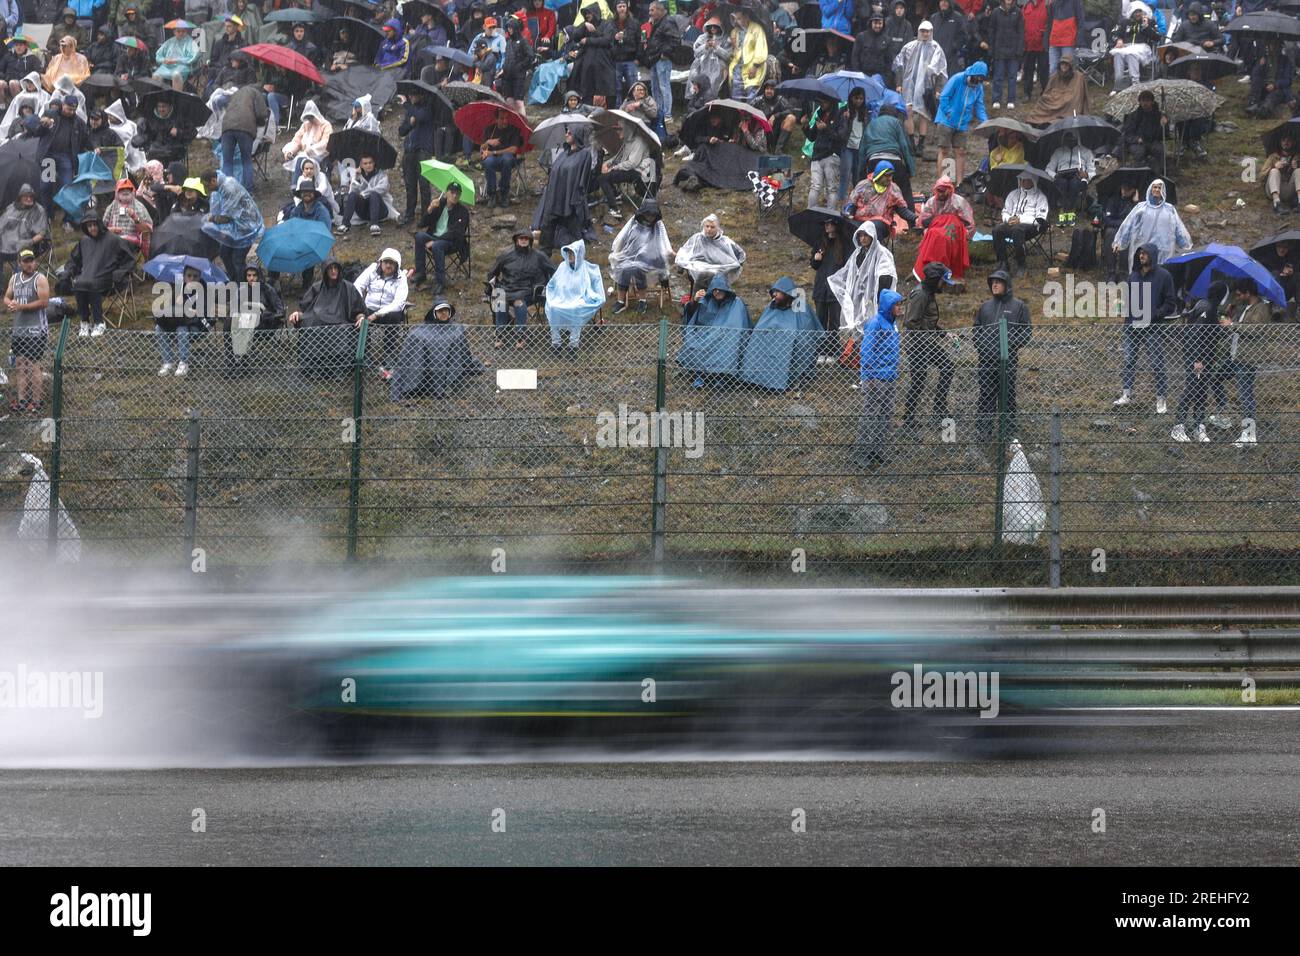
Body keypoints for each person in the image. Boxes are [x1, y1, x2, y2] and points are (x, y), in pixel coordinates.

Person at [1114, 242, 1176, 414]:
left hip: (1152, 327)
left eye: (1145, 253)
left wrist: (1156, 314)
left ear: (1153, 256)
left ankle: (1161, 399)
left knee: (1157, 364)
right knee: (1128, 361)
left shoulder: (1164, 276)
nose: (1141, 256)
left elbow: (1171, 303)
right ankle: (1126, 394)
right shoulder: (1133, 276)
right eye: (1140, 253)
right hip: (1131, 326)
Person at [973, 268, 1032, 442]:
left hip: (1008, 362)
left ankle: (1008, 430)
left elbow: (1026, 332)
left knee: (1007, 396)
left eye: (998, 282)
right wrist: (982, 346)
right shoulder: (985, 307)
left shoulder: (1019, 306)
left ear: (1007, 285)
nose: (995, 284)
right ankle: (984, 430)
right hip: (985, 362)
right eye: (992, 282)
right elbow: (976, 330)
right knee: (985, 395)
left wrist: (1009, 345)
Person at [389, 299, 484, 401]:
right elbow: (406, 359)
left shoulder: (457, 330)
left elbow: (465, 355)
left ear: (450, 313)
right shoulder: (418, 332)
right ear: (434, 313)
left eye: (446, 310)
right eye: (440, 311)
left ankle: (448, 384)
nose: (444, 313)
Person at [850, 287, 904, 468]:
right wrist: (869, 377)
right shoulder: (876, 324)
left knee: (885, 416)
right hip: (875, 379)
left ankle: (878, 450)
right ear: (889, 306)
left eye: (900, 304)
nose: (899, 308)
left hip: (890, 377)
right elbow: (866, 352)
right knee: (870, 415)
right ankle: (861, 454)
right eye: (896, 305)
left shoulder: (893, 324)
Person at [901, 260, 958, 427]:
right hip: (917, 344)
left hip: (926, 341)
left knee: (947, 367)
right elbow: (911, 323)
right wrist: (928, 340)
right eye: (942, 281)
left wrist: (944, 333)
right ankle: (908, 417)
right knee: (919, 379)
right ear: (935, 280)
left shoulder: (929, 292)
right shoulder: (920, 294)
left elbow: (927, 321)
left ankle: (939, 407)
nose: (944, 285)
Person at [1170, 280, 1227, 444]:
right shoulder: (1207, 309)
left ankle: (1199, 427)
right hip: (1199, 358)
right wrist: (1198, 360)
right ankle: (1178, 426)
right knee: (1193, 389)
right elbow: (1198, 335)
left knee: (1201, 391)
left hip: (1205, 358)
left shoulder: (1206, 306)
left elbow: (1209, 333)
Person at [288, 259, 367, 375]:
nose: (333, 271)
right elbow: (306, 310)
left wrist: (361, 317)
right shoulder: (317, 287)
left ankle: (339, 369)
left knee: (342, 331)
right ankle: (315, 369)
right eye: (330, 269)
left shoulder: (348, 288)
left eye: (336, 268)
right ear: (325, 271)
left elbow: (358, 310)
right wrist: (297, 314)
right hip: (317, 321)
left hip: (341, 323)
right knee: (311, 327)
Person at [828, 220, 897, 350]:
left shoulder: (882, 253)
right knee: (858, 325)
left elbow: (886, 273)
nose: (862, 238)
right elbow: (849, 272)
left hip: (874, 298)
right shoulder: (857, 253)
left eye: (866, 235)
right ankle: (859, 356)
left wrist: (878, 295)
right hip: (858, 297)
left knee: (873, 325)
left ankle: (874, 354)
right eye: (860, 235)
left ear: (872, 235)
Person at [63, 212, 134, 338]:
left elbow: (130, 260)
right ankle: (84, 321)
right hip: (88, 278)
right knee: (79, 283)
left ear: (100, 225)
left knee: (90, 283)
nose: (92, 228)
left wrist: (120, 273)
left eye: (94, 225)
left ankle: (99, 322)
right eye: (89, 226)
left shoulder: (114, 240)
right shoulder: (84, 241)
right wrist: (68, 271)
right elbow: (73, 260)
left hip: (109, 280)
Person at [1218, 278, 1268, 448]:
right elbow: (1228, 318)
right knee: (1215, 377)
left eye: (1239, 293)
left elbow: (1255, 329)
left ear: (1248, 293)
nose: (1237, 296)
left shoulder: (1261, 308)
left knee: (1246, 396)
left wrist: (1233, 324)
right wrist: (1230, 312)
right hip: (1235, 357)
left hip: (1247, 360)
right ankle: (1222, 412)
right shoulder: (1243, 308)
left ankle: (1249, 435)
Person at [486, 231, 555, 349]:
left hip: (527, 289)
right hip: (507, 287)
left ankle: (520, 337)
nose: (523, 240)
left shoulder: (538, 256)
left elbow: (553, 270)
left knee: (519, 303)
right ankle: (500, 336)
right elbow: (492, 273)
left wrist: (550, 285)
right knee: (500, 300)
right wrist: (492, 284)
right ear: (516, 240)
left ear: (530, 241)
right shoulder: (506, 255)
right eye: (521, 238)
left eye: (526, 238)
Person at [532, 124, 594, 254]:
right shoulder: (563, 154)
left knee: (574, 236)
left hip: (570, 201)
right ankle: (544, 260)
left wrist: (576, 199)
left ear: (577, 135)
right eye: (566, 132)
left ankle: (575, 263)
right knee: (547, 230)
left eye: (570, 133)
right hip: (554, 198)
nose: (566, 135)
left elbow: (583, 179)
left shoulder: (584, 155)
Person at [676, 273, 751, 380]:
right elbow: (693, 318)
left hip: (725, 339)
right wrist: (695, 301)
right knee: (694, 342)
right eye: (714, 289)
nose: (717, 291)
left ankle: (721, 376)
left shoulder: (736, 303)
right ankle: (700, 374)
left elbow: (740, 325)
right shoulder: (707, 301)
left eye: (720, 289)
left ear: (725, 289)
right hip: (706, 336)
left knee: (727, 346)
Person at [607, 198, 673, 313]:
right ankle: (620, 301)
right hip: (630, 254)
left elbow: (664, 240)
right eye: (649, 214)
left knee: (637, 268)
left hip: (651, 258)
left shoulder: (658, 225)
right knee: (624, 268)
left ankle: (642, 300)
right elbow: (622, 236)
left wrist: (669, 251)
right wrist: (616, 250)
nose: (651, 217)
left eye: (653, 214)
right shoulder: (634, 221)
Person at [5, 248, 50, 414]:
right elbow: (7, 296)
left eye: (32, 260)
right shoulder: (15, 278)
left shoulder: (40, 279)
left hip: (36, 329)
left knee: (33, 365)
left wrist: (20, 306)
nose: (30, 264)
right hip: (19, 329)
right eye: (26, 261)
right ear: (20, 263)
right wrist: (9, 303)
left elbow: (44, 302)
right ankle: (22, 399)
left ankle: (37, 401)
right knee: (20, 364)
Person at [1112, 179, 1192, 271]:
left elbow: (1178, 229)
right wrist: (1119, 242)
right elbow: (1129, 225)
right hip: (1143, 249)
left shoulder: (1169, 209)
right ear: (1151, 189)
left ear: (1163, 190)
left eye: (1159, 187)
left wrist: (1186, 246)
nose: (1157, 190)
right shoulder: (1141, 208)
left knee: (1160, 278)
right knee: (1142, 277)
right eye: (1155, 187)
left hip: (1163, 250)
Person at [932, 60, 987, 187]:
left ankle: (960, 184)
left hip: (962, 124)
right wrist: (949, 112)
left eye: (980, 80)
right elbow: (944, 97)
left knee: (961, 151)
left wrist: (986, 122)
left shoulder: (978, 88)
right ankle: (944, 182)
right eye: (976, 78)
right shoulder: (957, 79)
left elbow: (979, 106)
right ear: (972, 74)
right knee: (944, 150)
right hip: (946, 120)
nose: (977, 82)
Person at [893, 18, 946, 150]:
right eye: (923, 31)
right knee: (908, 111)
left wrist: (938, 89)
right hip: (909, 85)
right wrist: (899, 83)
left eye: (928, 31)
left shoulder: (936, 48)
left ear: (931, 32)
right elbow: (899, 65)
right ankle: (911, 141)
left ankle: (921, 143)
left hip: (926, 88)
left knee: (924, 114)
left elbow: (941, 70)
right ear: (919, 31)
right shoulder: (909, 47)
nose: (925, 34)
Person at [201, 168, 263, 280]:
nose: (207, 189)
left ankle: (243, 286)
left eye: (207, 185)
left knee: (237, 260)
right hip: (234, 227)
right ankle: (234, 278)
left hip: (246, 228)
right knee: (224, 253)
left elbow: (226, 218)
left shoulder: (228, 188)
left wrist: (212, 219)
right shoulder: (218, 188)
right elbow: (216, 208)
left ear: (213, 180)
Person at [354, 247, 409, 374]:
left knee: (395, 316)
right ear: (381, 262)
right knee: (357, 315)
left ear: (397, 265)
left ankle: (388, 356)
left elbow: (399, 302)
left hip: (388, 311)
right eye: (386, 262)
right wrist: (360, 306)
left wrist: (377, 315)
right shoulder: (372, 269)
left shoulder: (401, 278)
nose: (388, 265)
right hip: (368, 307)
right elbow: (357, 285)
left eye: (392, 263)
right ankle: (365, 354)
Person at [545, 238, 605, 352]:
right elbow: (552, 283)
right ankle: (556, 343)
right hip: (560, 298)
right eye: (569, 253)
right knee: (552, 307)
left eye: (573, 253)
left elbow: (596, 283)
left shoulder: (586, 268)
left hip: (580, 298)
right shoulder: (563, 266)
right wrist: (552, 293)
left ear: (579, 253)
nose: (570, 255)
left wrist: (595, 295)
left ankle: (573, 345)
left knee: (576, 309)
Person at [35, 96, 89, 223]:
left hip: (66, 157)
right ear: (63, 105)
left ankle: (68, 219)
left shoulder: (78, 122)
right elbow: (37, 132)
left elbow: (85, 139)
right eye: (68, 108)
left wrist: (95, 148)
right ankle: (48, 216)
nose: (70, 112)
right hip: (49, 155)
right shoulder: (50, 114)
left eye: (73, 110)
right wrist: (43, 125)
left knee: (67, 187)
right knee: (46, 186)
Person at [411, 183, 470, 295]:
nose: (454, 195)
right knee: (419, 236)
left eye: (457, 193)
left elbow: (456, 233)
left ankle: (440, 282)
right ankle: (420, 273)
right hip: (434, 237)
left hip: (452, 243)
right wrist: (429, 209)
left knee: (437, 246)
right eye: (452, 192)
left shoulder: (463, 212)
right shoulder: (438, 204)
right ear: (446, 193)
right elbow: (422, 224)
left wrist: (435, 241)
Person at [913, 175, 974, 280]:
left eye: (944, 191)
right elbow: (923, 222)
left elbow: (969, 223)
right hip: (935, 230)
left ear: (950, 190)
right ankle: (929, 267)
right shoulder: (931, 202)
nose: (941, 194)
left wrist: (966, 233)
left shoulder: (959, 202)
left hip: (954, 230)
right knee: (934, 236)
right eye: (939, 191)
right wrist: (938, 221)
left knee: (945, 238)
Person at [593, 118, 654, 219]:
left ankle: (615, 209)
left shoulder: (638, 142)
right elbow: (618, 156)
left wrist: (613, 168)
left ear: (628, 129)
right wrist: (607, 164)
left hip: (637, 171)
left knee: (603, 178)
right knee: (602, 172)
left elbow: (632, 163)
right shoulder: (627, 140)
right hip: (628, 168)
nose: (617, 132)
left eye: (619, 129)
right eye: (616, 129)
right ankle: (615, 195)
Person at [154, 263, 206, 377]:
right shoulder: (178, 288)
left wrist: (193, 310)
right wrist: (176, 302)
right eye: (189, 276)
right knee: (159, 328)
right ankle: (167, 362)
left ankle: (184, 362)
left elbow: (207, 314)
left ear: (200, 277)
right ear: (184, 276)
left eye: (195, 276)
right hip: (177, 322)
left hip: (196, 327)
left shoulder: (204, 290)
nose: (192, 279)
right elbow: (170, 312)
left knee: (181, 329)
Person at [809, 216, 850, 360]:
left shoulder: (844, 244)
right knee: (820, 319)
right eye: (825, 224)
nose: (827, 226)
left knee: (834, 322)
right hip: (821, 287)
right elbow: (814, 265)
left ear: (836, 225)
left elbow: (847, 267)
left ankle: (832, 351)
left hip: (836, 288)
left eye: (829, 224)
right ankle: (820, 351)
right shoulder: (820, 243)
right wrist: (816, 259)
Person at [993, 171, 1048, 277]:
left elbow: (1041, 219)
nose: (1024, 182)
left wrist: (1020, 219)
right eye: (1022, 179)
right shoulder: (1013, 194)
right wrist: (1008, 219)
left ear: (1033, 181)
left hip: (1031, 226)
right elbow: (1005, 211)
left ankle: (1021, 265)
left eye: (1027, 180)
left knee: (1017, 230)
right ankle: (1003, 263)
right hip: (1012, 223)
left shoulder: (1040, 197)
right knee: (997, 230)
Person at [219, 76, 268, 194]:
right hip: (245, 128)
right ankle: (248, 191)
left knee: (227, 161)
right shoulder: (257, 93)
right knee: (246, 160)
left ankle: (228, 191)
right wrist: (259, 124)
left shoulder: (236, 94)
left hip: (227, 127)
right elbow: (262, 114)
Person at [675, 213, 746, 293]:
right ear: (703, 226)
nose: (709, 229)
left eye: (712, 227)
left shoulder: (724, 241)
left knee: (716, 276)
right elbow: (684, 251)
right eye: (707, 226)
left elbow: (740, 253)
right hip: (699, 268)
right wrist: (682, 265)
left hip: (719, 268)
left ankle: (716, 297)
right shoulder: (697, 238)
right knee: (703, 275)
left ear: (718, 228)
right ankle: (698, 300)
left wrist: (738, 264)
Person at [845, 160, 916, 236]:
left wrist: (916, 218)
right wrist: (848, 212)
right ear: (879, 174)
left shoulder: (893, 190)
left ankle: (872, 247)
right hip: (860, 220)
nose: (890, 178)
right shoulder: (863, 185)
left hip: (881, 222)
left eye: (891, 175)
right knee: (846, 225)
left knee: (871, 227)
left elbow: (902, 210)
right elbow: (851, 204)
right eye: (887, 175)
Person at [643, 1, 681, 136]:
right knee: (654, 87)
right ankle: (658, 112)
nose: (650, 13)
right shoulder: (657, 22)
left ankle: (667, 114)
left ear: (660, 10)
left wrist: (665, 53)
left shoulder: (668, 21)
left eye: (652, 10)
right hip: (654, 59)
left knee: (664, 86)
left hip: (663, 59)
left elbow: (676, 40)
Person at [0, 185, 49, 291]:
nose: (29, 198)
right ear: (20, 197)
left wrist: (29, 242)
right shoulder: (12, 208)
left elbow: (41, 234)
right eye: (26, 196)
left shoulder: (38, 211)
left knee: (22, 253)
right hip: (8, 243)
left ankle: (18, 289)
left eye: (31, 196)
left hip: (30, 244)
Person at [397, 87, 435, 225]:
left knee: (424, 184)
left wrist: (406, 104)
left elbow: (421, 116)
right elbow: (401, 131)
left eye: (414, 95)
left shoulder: (426, 108)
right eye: (410, 95)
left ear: (420, 95)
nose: (411, 97)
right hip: (409, 150)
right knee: (410, 184)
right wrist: (410, 124)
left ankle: (426, 215)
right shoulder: (411, 111)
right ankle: (409, 213)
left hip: (423, 150)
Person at [568, 4, 617, 107]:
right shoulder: (585, 24)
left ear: (595, 13)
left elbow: (607, 40)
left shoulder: (607, 24)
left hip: (603, 63)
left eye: (589, 13)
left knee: (606, 92)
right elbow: (575, 36)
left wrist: (589, 39)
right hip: (587, 65)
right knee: (587, 91)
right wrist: (584, 26)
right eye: (585, 13)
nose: (587, 15)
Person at [338, 154, 398, 237]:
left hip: (381, 210)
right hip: (364, 211)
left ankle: (374, 224)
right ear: (361, 165)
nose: (368, 165)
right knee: (352, 195)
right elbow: (354, 192)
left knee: (374, 194)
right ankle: (345, 224)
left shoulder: (382, 175)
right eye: (365, 163)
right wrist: (356, 178)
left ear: (374, 163)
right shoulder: (359, 175)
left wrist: (364, 194)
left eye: (370, 163)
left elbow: (382, 188)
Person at [981, 0, 1024, 110]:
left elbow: (1021, 31)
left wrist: (1019, 49)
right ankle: (996, 99)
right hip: (999, 49)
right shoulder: (996, 12)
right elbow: (991, 30)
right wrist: (992, 47)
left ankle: (1011, 99)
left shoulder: (1018, 12)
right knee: (998, 76)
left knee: (1012, 77)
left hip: (1013, 49)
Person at [1024, 52, 1087, 125]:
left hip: (1067, 101)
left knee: (1069, 106)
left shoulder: (1078, 77)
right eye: (1062, 64)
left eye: (1066, 64)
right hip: (1054, 99)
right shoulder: (1055, 76)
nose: (1064, 66)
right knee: (1041, 103)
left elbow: (1077, 96)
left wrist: (1063, 96)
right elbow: (1047, 92)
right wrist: (1054, 96)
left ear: (1071, 66)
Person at [805, 99, 846, 209]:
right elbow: (811, 136)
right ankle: (811, 211)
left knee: (831, 188)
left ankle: (831, 215)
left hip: (831, 155)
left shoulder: (840, 117)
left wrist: (826, 128)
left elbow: (841, 137)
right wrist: (805, 126)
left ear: (831, 102)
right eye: (820, 102)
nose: (822, 104)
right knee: (815, 186)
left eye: (825, 101)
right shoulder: (820, 115)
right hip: (817, 155)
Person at [1110, 2, 1159, 94]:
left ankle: (1135, 83)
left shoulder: (1150, 21)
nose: (1137, 14)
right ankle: (1118, 85)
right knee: (1117, 53)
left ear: (1143, 12)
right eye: (1135, 12)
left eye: (1139, 11)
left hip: (1143, 48)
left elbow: (1157, 37)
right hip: (1126, 46)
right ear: (1131, 12)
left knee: (1131, 54)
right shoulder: (1125, 22)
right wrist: (1119, 40)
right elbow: (1114, 33)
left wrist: (1146, 27)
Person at [480, 110, 525, 209]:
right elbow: (482, 148)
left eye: (506, 118)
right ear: (496, 119)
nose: (505, 121)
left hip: (508, 159)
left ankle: (504, 193)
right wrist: (488, 142)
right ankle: (492, 194)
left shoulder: (514, 130)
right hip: (492, 159)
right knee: (488, 161)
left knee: (507, 159)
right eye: (501, 118)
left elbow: (513, 149)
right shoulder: (490, 130)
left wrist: (494, 152)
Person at [133, 95, 194, 167]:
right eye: (159, 106)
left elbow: (191, 133)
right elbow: (145, 135)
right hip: (154, 151)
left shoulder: (179, 118)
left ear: (170, 107)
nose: (161, 109)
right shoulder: (150, 119)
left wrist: (178, 132)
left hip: (174, 151)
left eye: (164, 106)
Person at [688, 17, 731, 113]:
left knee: (713, 89)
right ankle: (696, 106)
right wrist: (705, 46)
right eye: (710, 26)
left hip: (718, 69)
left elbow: (728, 56)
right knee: (698, 86)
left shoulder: (725, 39)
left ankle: (711, 108)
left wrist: (717, 48)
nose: (712, 29)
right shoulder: (702, 38)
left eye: (715, 26)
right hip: (702, 67)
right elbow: (696, 52)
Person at [281, 100, 332, 181]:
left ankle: (296, 185)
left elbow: (326, 142)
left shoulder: (325, 125)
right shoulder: (305, 125)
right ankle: (298, 184)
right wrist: (290, 151)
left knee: (300, 160)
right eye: (308, 117)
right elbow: (297, 140)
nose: (310, 120)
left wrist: (312, 149)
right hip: (304, 153)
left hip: (320, 154)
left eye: (311, 117)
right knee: (298, 159)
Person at [1044, 130, 1093, 212]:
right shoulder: (1058, 151)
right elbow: (1048, 169)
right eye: (1068, 139)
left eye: (1073, 140)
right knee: (1062, 183)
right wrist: (1055, 175)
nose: (1070, 141)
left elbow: (1092, 171)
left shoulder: (1086, 152)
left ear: (1077, 139)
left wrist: (1086, 175)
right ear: (1064, 139)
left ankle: (1070, 208)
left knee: (1073, 184)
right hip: (1061, 177)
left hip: (1079, 178)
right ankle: (1063, 207)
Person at [1100, 181, 1140, 281]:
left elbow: (1139, 219)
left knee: (1127, 238)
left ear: (1133, 191)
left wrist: (1136, 203)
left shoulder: (1138, 204)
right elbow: (1108, 219)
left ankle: (1123, 272)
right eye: (1123, 189)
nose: (1124, 192)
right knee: (1109, 234)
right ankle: (1111, 272)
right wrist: (1123, 224)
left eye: (1128, 190)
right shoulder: (1113, 199)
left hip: (1130, 230)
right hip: (1114, 227)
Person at [103, 177, 152, 255]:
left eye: (127, 192)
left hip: (132, 243)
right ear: (117, 193)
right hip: (114, 241)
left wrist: (135, 217)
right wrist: (111, 229)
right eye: (122, 192)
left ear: (132, 192)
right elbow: (102, 228)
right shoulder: (112, 207)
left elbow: (147, 229)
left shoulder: (139, 207)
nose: (125, 195)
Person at [1121, 89, 1167, 173]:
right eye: (1142, 101)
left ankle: (1161, 173)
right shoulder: (1134, 115)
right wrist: (1136, 139)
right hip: (1138, 142)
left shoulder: (1159, 115)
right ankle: (1139, 174)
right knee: (1139, 152)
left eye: (1147, 101)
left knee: (1160, 150)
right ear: (1139, 102)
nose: (1145, 103)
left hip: (1153, 141)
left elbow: (1163, 135)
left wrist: (1163, 125)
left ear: (1152, 102)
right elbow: (1127, 133)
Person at [727, 5, 767, 101]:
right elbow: (733, 53)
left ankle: (750, 115)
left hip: (752, 66)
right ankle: (737, 115)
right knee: (736, 95)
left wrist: (755, 66)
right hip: (737, 67)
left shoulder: (757, 29)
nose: (737, 21)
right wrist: (733, 45)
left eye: (739, 18)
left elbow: (761, 48)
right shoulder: (734, 32)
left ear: (746, 17)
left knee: (751, 94)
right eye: (735, 19)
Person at [499, 14, 534, 117]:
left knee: (519, 102)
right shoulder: (508, 42)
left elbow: (530, 56)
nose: (509, 30)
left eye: (511, 28)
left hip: (518, 76)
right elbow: (507, 58)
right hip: (507, 76)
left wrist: (521, 67)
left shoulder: (523, 41)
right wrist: (503, 70)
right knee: (509, 102)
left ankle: (524, 124)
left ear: (516, 28)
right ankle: (514, 124)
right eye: (508, 28)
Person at [153, 23, 198, 92]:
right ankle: (160, 100)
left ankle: (176, 99)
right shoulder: (169, 41)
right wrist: (164, 60)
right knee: (156, 75)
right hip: (167, 66)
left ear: (186, 31)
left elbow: (193, 57)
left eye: (183, 31)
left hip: (182, 66)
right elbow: (158, 55)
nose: (181, 33)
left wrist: (177, 60)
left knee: (176, 75)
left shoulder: (190, 42)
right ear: (174, 32)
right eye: (178, 31)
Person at [853, 13, 895, 86]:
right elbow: (855, 57)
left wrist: (886, 79)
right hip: (862, 75)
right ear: (870, 23)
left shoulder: (887, 40)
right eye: (875, 23)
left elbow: (889, 61)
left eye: (880, 23)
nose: (878, 26)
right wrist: (857, 74)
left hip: (880, 78)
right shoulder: (861, 37)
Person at [1044, 0, 1082, 76]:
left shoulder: (1076, 2)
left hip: (1069, 42)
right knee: (1052, 70)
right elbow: (1049, 24)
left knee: (1069, 71)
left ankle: (1070, 88)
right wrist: (1046, 41)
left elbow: (1081, 21)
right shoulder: (1053, 3)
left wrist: (1078, 41)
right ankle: (1054, 88)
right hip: (1054, 42)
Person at [1021, 0, 1049, 101]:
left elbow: (1050, 23)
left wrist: (1044, 33)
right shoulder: (1026, 5)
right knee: (1028, 70)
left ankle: (1045, 93)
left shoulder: (1047, 4)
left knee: (1044, 71)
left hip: (1042, 45)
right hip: (1029, 45)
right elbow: (1022, 23)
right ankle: (1027, 93)